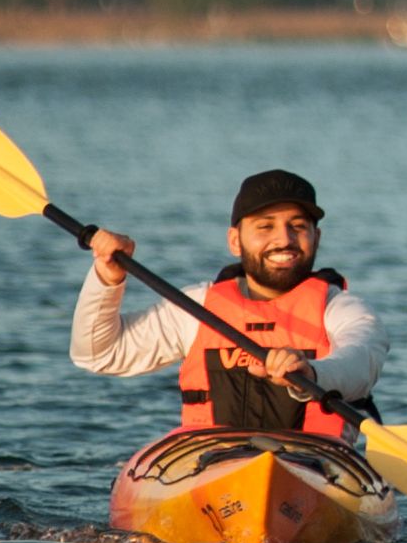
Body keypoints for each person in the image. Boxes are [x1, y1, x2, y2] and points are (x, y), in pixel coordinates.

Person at [70, 167, 386, 440]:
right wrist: (107, 278)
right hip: (213, 468)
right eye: (265, 226)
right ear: (235, 240)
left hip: (319, 469)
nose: (284, 239)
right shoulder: (198, 308)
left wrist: (311, 373)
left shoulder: (343, 309)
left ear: (316, 238)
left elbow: (360, 363)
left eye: (298, 226)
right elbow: (97, 354)